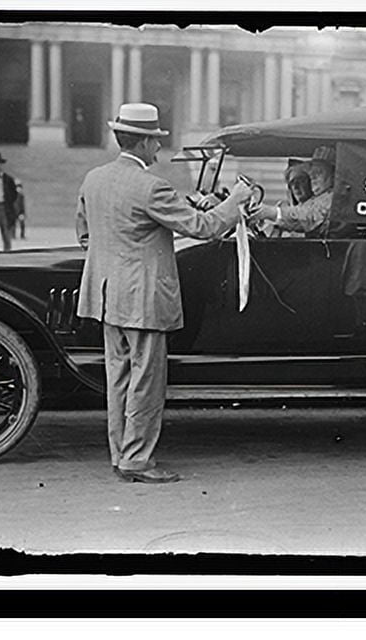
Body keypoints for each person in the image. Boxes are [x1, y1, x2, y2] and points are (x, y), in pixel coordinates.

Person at [76, 102, 253, 484]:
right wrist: (234, 203)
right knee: (146, 383)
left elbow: (85, 233)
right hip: (142, 300)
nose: (158, 149)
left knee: (119, 380)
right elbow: (204, 228)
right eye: (155, 142)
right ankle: (137, 461)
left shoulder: (94, 178)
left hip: (107, 297)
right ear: (141, 143)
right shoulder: (150, 185)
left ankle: (120, 454)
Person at [248, 145, 336, 235]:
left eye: (318, 172)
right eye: (311, 172)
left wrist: (272, 212)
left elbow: (308, 215)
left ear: (334, 176)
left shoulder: (334, 198)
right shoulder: (316, 200)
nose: (312, 177)